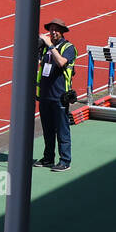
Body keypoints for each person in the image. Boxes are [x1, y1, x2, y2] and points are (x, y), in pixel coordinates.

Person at [35, 19, 78, 172]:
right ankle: (48, 158)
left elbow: (61, 62)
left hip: (60, 96)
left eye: (56, 29)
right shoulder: (46, 49)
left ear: (62, 32)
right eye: (51, 29)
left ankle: (65, 160)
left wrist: (50, 46)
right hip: (45, 95)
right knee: (47, 129)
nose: (52, 32)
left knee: (62, 129)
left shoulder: (68, 48)